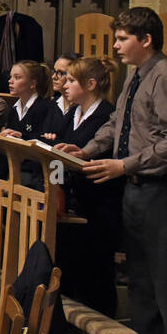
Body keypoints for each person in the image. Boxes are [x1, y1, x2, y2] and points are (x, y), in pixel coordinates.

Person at [57, 7, 167, 334]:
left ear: (146, 40)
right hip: (139, 193)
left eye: (123, 38)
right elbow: (116, 124)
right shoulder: (138, 76)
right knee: (141, 284)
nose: (117, 46)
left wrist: (124, 165)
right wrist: (87, 150)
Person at [53, 56, 119, 318]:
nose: (64, 85)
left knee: (96, 276)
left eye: (71, 80)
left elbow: (100, 154)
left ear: (90, 84)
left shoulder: (106, 114)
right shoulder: (72, 112)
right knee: (68, 270)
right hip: (73, 203)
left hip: (98, 205)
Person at [1, 60, 64, 189]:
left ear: (32, 84)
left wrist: (21, 136)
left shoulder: (44, 108)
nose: (10, 81)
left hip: (35, 171)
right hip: (14, 166)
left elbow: (44, 139)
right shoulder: (14, 109)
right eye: (11, 77)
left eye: (17, 77)